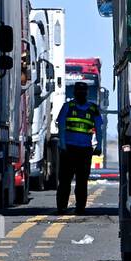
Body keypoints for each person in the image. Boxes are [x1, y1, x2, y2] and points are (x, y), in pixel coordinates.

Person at [55, 82, 104, 215]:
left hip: (85, 150)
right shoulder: (67, 107)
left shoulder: (93, 108)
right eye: (79, 91)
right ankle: (62, 207)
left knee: (82, 181)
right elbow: (61, 127)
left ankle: (80, 207)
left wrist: (99, 145)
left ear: (86, 93)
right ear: (75, 92)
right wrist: (63, 145)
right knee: (65, 180)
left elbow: (99, 129)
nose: (81, 93)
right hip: (69, 149)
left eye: (83, 91)